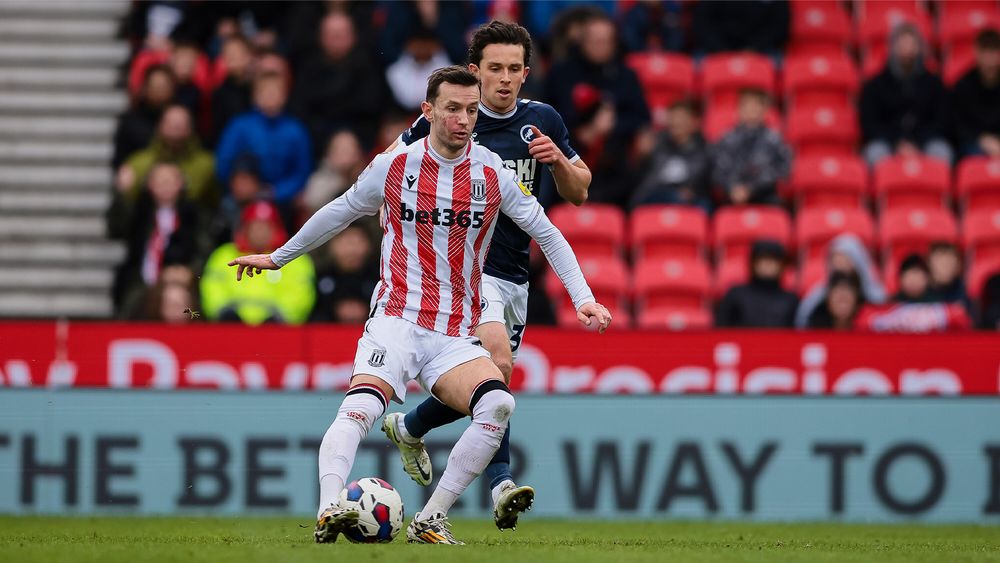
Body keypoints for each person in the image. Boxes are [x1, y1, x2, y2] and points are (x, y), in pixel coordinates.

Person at [227, 66, 611, 544]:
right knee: (360, 410)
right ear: (428, 111)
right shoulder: (396, 166)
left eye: (471, 110)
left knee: (498, 403)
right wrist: (279, 256)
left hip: (453, 331)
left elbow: (548, 234)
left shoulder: (492, 171)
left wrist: (584, 298)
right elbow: (340, 210)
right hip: (396, 320)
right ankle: (329, 507)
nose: (463, 119)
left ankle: (430, 518)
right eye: (452, 109)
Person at [386, 21, 593, 532]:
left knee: (490, 384)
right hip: (463, 273)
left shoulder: (542, 121)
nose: (504, 79)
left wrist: (558, 164)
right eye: (494, 69)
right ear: (475, 71)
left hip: (515, 275)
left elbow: (580, 190)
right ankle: (499, 480)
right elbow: (389, 167)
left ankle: (409, 426)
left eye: (514, 69)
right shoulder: (456, 119)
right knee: (496, 366)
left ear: (526, 73)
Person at [544, 13, 649, 206]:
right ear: (582, 42)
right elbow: (549, 114)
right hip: (567, 152)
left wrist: (612, 125)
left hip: (616, 156)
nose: (602, 47)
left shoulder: (626, 75)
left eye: (607, 41)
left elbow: (641, 117)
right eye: (596, 41)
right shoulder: (562, 73)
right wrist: (586, 131)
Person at [215, 71, 313, 228]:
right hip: (241, 199)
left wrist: (276, 192)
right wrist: (243, 187)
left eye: (275, 92)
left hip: (281, 202)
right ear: (255, 96)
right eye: (265, 92)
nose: (270, 97)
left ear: (284, 96)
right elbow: (224, 164)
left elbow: (302, 171)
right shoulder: (239, 126)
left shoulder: (295, 130)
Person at [108, 162, 206, 313]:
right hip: (141, 282)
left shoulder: (193, 214)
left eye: (170, 180)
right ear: (150, 185)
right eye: (160, 180)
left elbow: (204, 248)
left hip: (179, 282)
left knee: (178, 300)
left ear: (180, 184)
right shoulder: (140, 212)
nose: (165, 185)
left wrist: (190, 270)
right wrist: (122, 194)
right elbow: (115, 228)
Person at [202, 201, 315, 325]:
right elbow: (212, 289)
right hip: (231, 329)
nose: (260, 232)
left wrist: (280, 317)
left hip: (277, 333)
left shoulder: (295, 258)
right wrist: (223, 312)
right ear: (245, 229)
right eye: (255, 226)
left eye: (266, 226)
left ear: (276, 229)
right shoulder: (223, 255)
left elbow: (300, 295)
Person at [860, 23, 952, 166]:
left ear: (920, 48)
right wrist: (898, 142)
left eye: (912, 45)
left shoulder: (934, 83)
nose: (907, 51)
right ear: (892, 48)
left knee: (942, 153)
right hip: (887, 141)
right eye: (902, 45)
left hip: (925, 140)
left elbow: (942, 120)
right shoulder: (875, 85)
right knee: (875, 154)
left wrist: (917, 142)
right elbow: (870, 123)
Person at [290, 12, 384, 149]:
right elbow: (301, 109)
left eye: (342, 34)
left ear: (354, 36)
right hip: (319, 143)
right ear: (321, 37)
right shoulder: (308, 68)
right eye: (332, 35)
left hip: (360, 142)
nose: (337, 40)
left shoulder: (369, 66)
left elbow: (371, 108)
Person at [117, 104, 218, 208]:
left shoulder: (207, 164)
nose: (176, 128)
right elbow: (128, 210)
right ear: (159, 126)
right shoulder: (138, 162)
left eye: (181, 124)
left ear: (190, 128)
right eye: (171, 123)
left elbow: (214, 202)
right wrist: (123, 192)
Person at [711, 88, 792, 205]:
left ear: (764, 110)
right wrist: (733, 188)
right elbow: (718, 169)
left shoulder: (775, 139)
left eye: (756, 106)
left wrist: (752, 189)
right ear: (739, 109)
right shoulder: (726, 138)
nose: (751, 110)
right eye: (746, 106)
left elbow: (783, 169)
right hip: (731, 196)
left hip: (765, 195)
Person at [629, 99, 711, 210]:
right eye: (672, 117)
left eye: (681, 117)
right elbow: (642, 178)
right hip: (655, 194)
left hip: (689, 199)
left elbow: (701, 179)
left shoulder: (704, 149)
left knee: (701, 206)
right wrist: (642, 157)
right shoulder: (656, 143)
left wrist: (691, 189)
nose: (675, 122)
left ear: (694, 122)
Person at [795, 234, 888, 328]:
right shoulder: (819, 296)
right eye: (835, 258)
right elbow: (804, 319)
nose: (839, 264)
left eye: (845, 258)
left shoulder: (874, 294)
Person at [715, 240, 798, 327]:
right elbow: (721, 330)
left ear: (782, 265)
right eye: (762, 259)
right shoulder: (735, 295)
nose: (768, 264)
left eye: (773, 260)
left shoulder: (790, 300)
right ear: (753, 263)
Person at [311, 226, 380, 324]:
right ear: (332, 245)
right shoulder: (320, 276)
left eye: (358, 242)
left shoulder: (381, 277)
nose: (352, 250)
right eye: (347, 242)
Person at [112, 64, 176, 168]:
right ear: (145, 89)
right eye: (155, 86)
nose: (159, 91)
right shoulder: (130, 122)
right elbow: (119, 161)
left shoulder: (182, 117)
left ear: (173, 89)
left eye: (163, 86)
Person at [951, 29, 1000, 159]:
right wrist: (982, 139)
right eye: (985, 52)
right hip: (973, 143)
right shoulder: (963, 85)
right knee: (974, 155)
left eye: (993, 52)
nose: (989, 59)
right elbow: (957, 125)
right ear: (977, 53)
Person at [301, 130, 367, 217]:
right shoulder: (319, 180)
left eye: (351, 149)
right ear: (329, 154)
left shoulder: (366, 176)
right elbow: (312, 203)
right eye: (342, 150)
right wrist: (342, 180)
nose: (349, 154)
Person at [386, 27, 453, 112]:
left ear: (436, 46)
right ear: (408, 46)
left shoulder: (449, 72)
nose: (422, 49)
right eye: (418, 44)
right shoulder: (394, 72)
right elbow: (408, 100)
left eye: (427, 44)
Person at [693, 0, 790, 56]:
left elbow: (778, 25)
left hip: (761, 50)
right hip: (715, 49)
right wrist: (721, 50)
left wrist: (754, 49)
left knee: (778, 67)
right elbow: (703, 22)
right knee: (696, 67)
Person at [210, 34, 255, 143]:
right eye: (227, 54)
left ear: (248, 56)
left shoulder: (258, 88)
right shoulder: (219, 94)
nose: (232, 58)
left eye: (236, 53)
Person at [927, 242, 972, 311]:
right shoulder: (918, 292)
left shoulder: (967, 294)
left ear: (958, 264)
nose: (945, 264)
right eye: (940, 258)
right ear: (929, 262)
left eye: (950, 259)